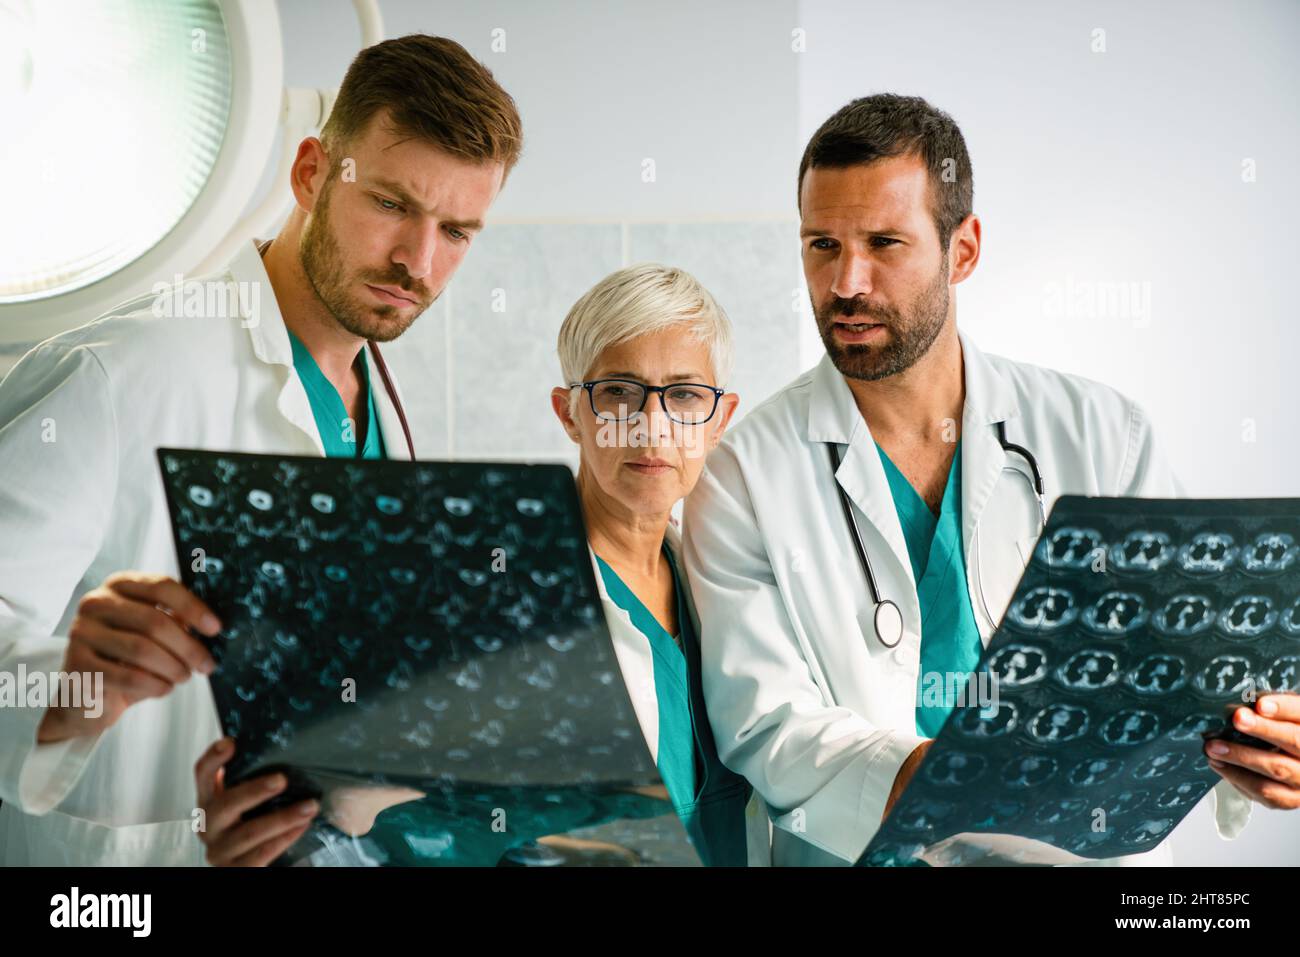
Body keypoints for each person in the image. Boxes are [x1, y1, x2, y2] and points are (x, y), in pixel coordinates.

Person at [681, 93, 1300, 867]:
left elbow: (1194, 669)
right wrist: (927, 778)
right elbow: (763, 722)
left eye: (884, 242)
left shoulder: (1103, 435)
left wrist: (1263, 739)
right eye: (821, 244)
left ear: (963, 250)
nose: (846, 282)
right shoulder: (743, 472)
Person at [0, 34, 522, 866]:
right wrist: (69, 687)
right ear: (312, 171)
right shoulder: (124, 374)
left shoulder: (381, 412)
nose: (418, 262)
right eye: (391, 203)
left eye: (456, 230)